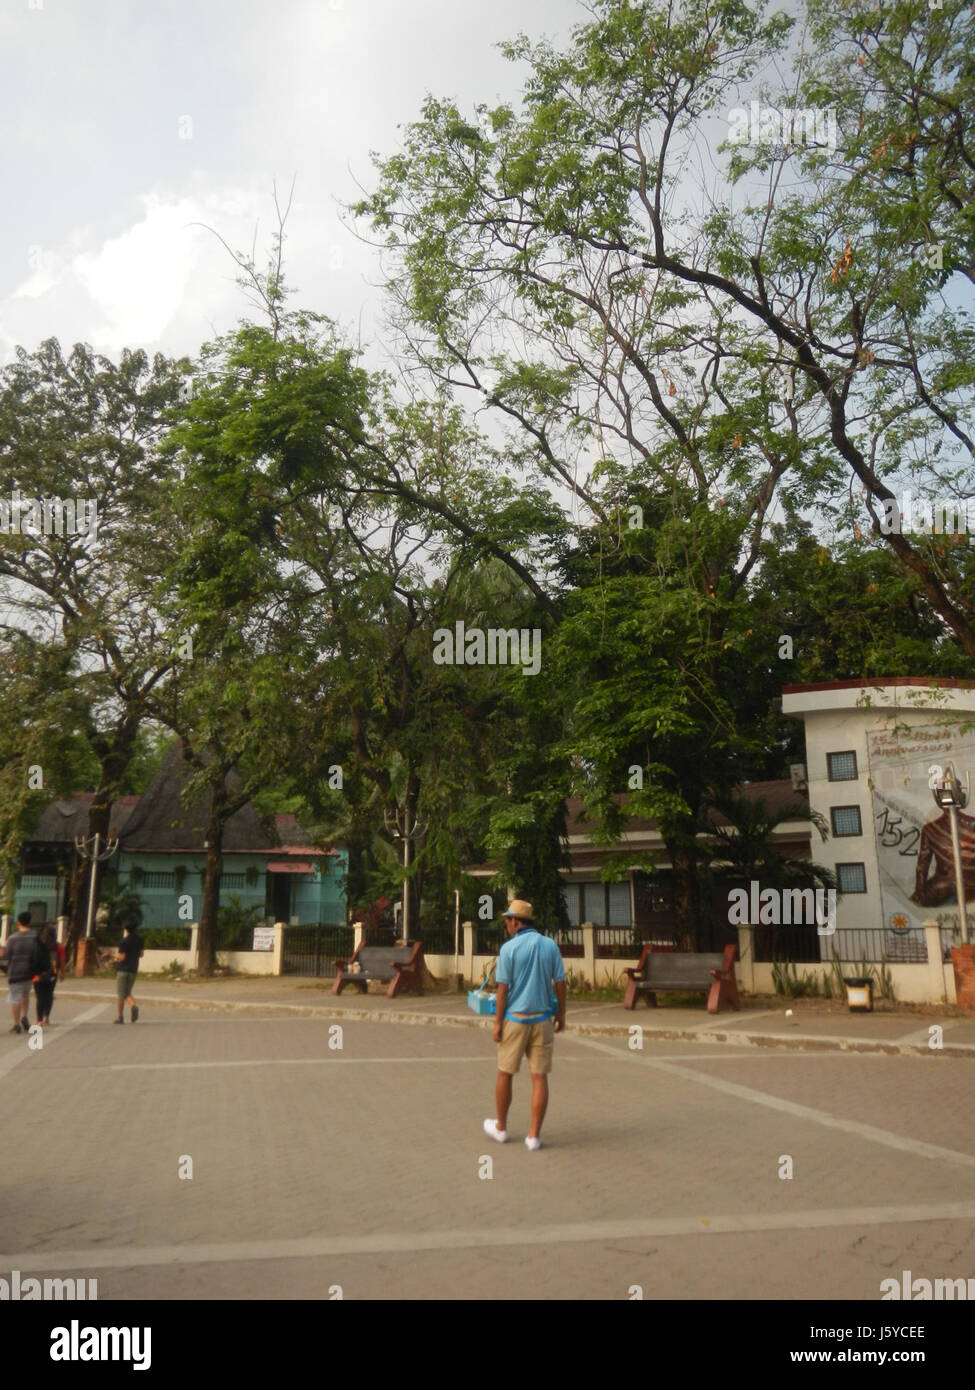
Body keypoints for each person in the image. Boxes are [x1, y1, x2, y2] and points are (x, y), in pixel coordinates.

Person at [483, 899, 566, 1151]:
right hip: (542, 1020)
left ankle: (501, 1128)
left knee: (505, 1073)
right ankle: (533, 1136)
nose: (506, 925)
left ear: (516, 922)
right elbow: (560, 983)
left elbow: (502, 990)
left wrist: (497, 1024)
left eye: (507, 920)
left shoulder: (509, 949)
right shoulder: (550, 946)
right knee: (539, 1078)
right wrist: (561, 1014)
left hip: (515, 1021)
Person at [3, 911, 39, 1034]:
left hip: (15, 972)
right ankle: (25, 1016)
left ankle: (16, 1024)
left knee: (15, 998)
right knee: (25, 995)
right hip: (29, 972)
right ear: (30, 922)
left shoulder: (13, 938)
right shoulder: (35, 937)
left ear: (18, 922)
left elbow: (6, 955)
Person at [112, 916, 144, 1024]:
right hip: (133, 969)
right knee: (127, 992)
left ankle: (121, 1017)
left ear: (126, 929)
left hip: (123, 970)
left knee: (121, 994)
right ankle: (133, 1006)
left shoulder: (124, 941)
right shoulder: (140, 940)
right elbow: (141, 954)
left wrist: (110, 954)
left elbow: (122, 957)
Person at [33, 923, 65, 1027]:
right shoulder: (58, 946)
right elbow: (62, 960)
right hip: (53, 973)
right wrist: (62, 972)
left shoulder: (38, 944)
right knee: (49, 994)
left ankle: (38, 1019)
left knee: (39, 996)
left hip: (38, 973)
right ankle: (46, 1016)